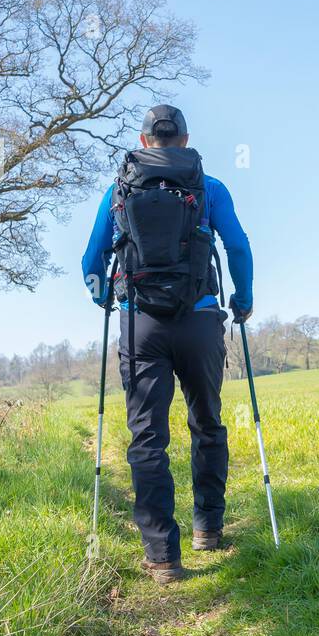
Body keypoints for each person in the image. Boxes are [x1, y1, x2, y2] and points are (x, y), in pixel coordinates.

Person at [81, 105, 253, 582]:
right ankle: (208, 528)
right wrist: (244, 298)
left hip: (140, 326)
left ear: (143, 141)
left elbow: (91, 258)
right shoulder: (209, 187)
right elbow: (237, 246)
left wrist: (101, 298)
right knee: (207, 423)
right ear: (184, 139)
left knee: (148, 437)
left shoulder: (118, 190)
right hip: (199, 320)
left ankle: (162, 555)